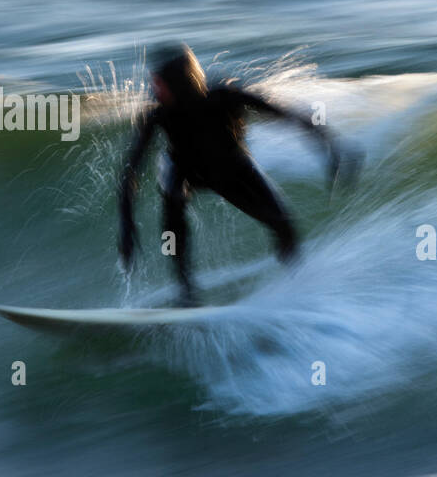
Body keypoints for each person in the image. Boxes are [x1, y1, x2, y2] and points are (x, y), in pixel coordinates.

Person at [117, 44, 352, 306]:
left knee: (284, 224)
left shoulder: (224, 97)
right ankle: (186, 292)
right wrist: (127, 225)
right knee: (171, 187)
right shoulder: (158, 115)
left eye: (159, 84)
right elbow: (131, 171)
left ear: (178, 83)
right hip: (186, 172)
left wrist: (331, 147)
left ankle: (298, 286)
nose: (153, 90)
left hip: (231, 169)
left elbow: (286, 115)